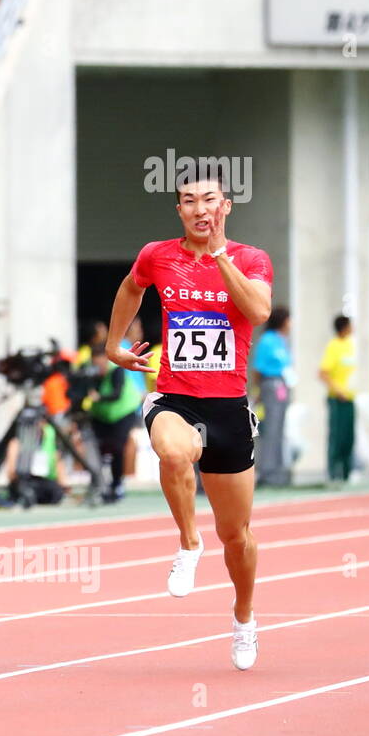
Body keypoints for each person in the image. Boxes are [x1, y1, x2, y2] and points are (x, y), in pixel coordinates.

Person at [104, 176, 272, 670]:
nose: (200, 210)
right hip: (176, 397)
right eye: (189, 202)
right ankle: (187, 541)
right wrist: (114, 345)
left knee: (237, 535)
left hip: (229, 408)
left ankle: (243, 617)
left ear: (226, 207)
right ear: (179, 210)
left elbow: (258, 310)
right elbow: (131, 289)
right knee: (174, 452)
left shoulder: (250, 259)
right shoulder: (157, 254)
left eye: (209, 201)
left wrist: (220, 255)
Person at [86, 347, 141, 502]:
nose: (99, 367)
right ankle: (98, 483)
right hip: (102, 415)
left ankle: (117, 484)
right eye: (96, 363)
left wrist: (99, 397)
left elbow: (117, 394)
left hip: (123, 412)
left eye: (101, 363)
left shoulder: (117, 371)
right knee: (97, 449)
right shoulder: (91, 373)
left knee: (117, 448)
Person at [251, 306, 293, 487]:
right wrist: (257, 391)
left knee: (280, 430)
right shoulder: (267, 340)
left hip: (282, 385)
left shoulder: (282, 340)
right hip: (270, 385)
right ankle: (267, 472)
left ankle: (278, 471)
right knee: (270, 430)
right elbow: (257, 369)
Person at [319, 314, 355, 483]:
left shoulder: (350, 345)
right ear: (343, 327)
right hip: (337, 399)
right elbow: (323, 373)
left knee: (349, 436)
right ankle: (333, 473)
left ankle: (347, 472)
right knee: (337, 436)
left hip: (350, 398)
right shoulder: (334, 346)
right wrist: (338, 390)